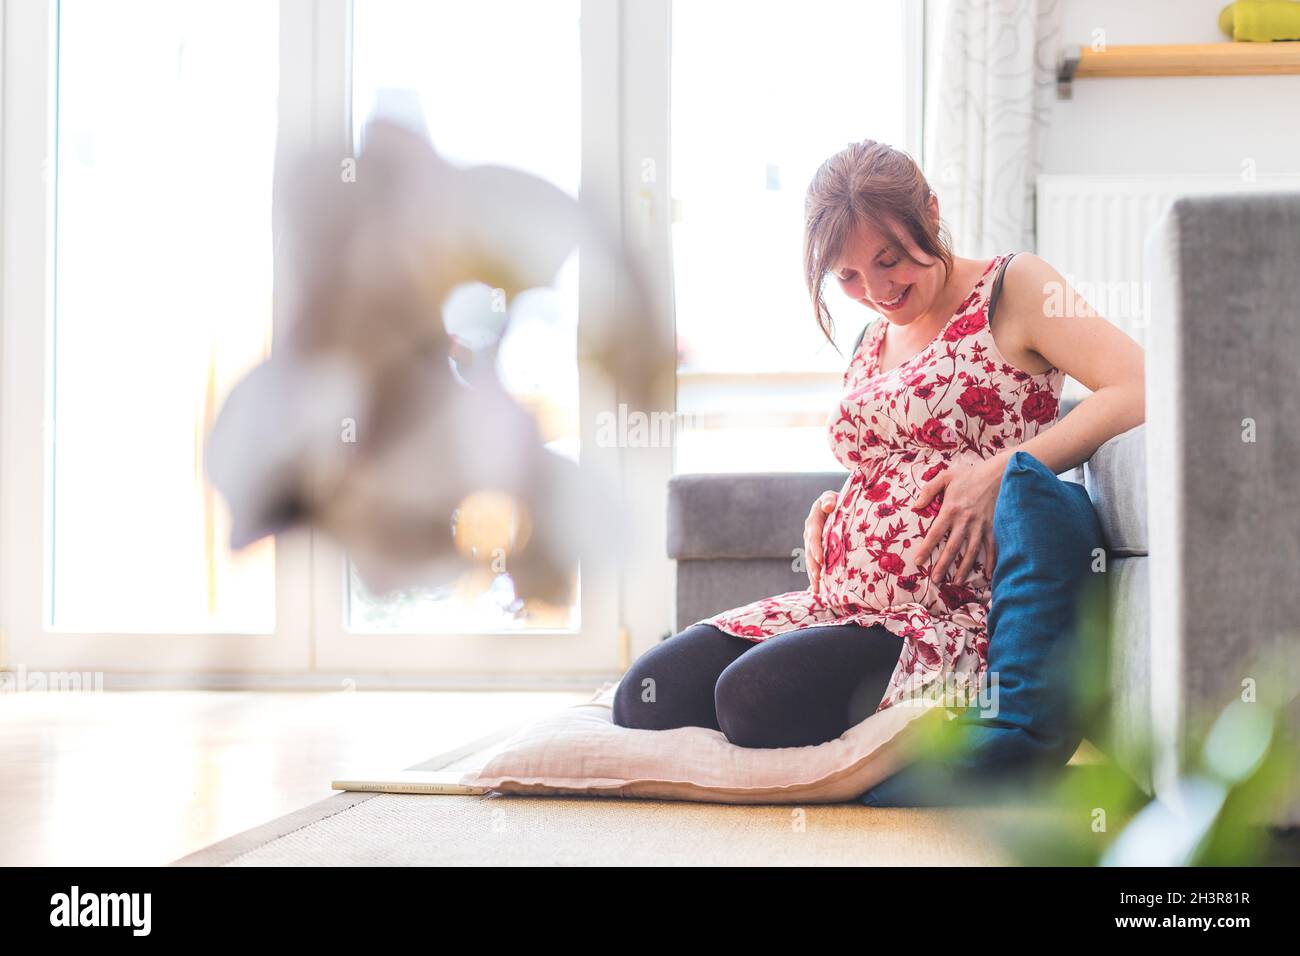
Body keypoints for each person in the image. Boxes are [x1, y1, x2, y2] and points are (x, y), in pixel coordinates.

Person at [612, 139, 1145, 749]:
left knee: (750, 699)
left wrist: (1000, 471)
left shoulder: (1011, 289)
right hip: (837, 603)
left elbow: (1139, 383)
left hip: (941, 620)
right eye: (849, 277)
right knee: (646, 694)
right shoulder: (870, 336)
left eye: (890, 259)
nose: (878, 290)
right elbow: (887, 456)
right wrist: (837, 512)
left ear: (933, 216)